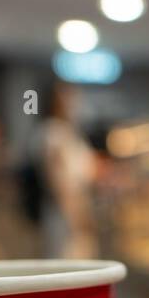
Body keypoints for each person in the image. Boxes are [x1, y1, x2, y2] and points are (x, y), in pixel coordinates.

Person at [30, 81, 96, 259]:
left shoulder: (70, 132)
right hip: (63, 211)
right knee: (66, 259)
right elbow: (58, 181)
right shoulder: (53, 133)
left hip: (76, 205)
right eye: (67, 97)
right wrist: (75, 215)